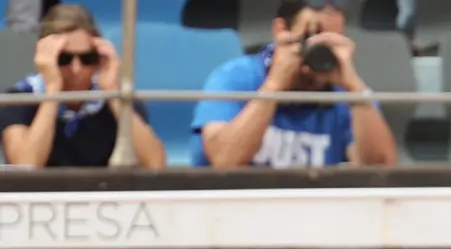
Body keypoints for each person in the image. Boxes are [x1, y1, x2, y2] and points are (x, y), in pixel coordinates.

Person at [192, 1, 397, 168]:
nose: (315, 53)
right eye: (308, 38)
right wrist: (274, 85)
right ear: (280, 30)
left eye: (328, 44)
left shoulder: (346, 95)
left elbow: (379, 171)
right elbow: (226, 161)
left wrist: (354, 87)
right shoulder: (236, 76)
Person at [1, 4, 165, 168]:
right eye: (64, 58)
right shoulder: (19, 101)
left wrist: (113, 93)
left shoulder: (119, 102)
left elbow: (156, 165)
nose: (76, 68)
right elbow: (25, 166)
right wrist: (52, 91)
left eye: (87, 58)